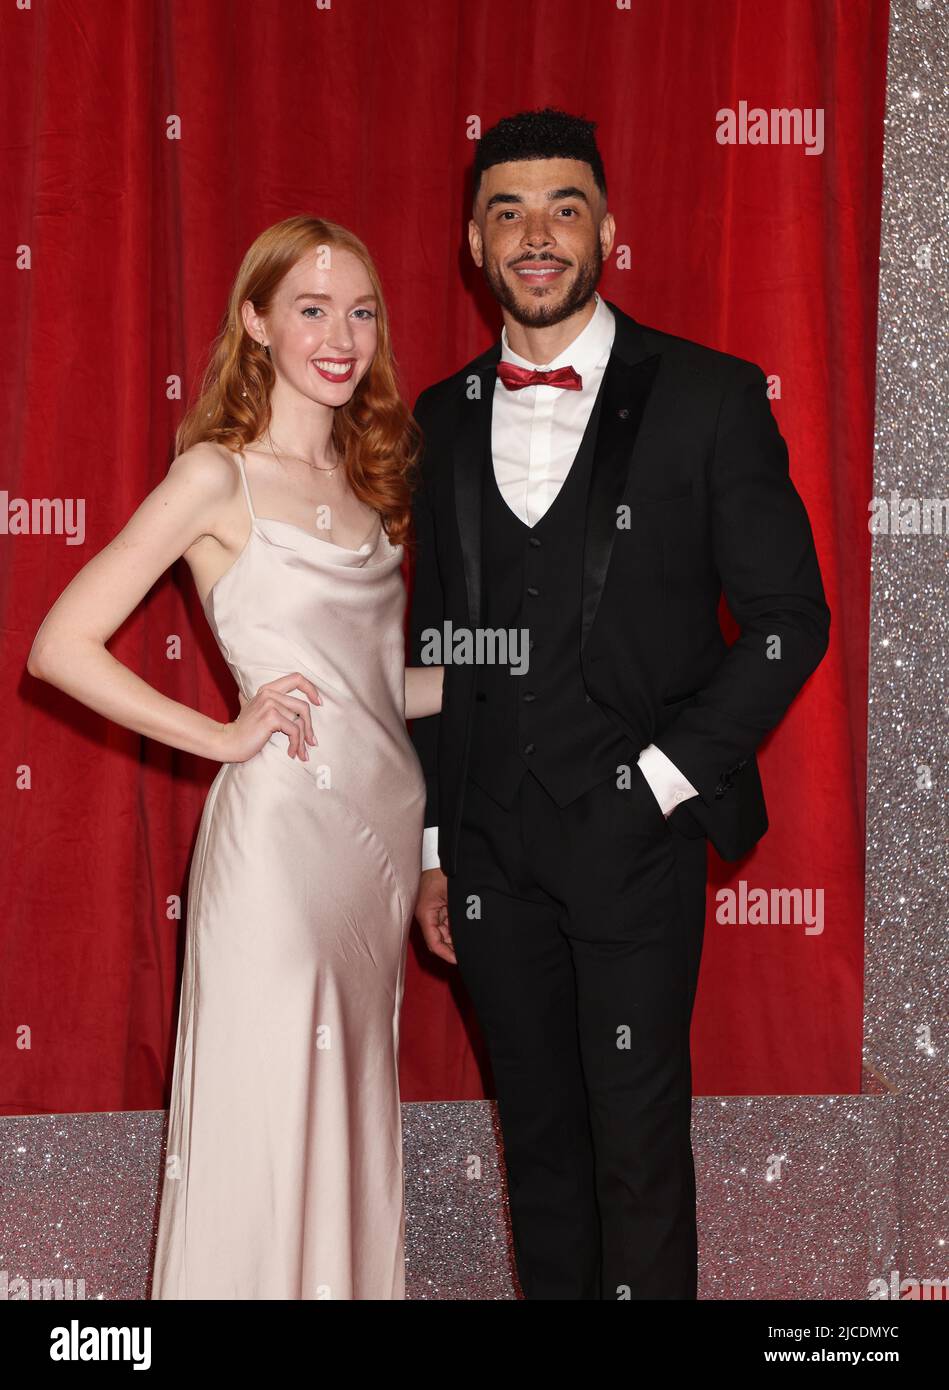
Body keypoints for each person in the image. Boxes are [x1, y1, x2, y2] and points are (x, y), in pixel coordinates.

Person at [409, 109, 830, 1300]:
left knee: (637, 1158)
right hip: (489, 844)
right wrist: (437, 843)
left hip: (634, 839)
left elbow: (790, 619)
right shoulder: (439, 419)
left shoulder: (707, 396)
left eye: (563, 206)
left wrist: (657, 781)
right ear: (472, 241)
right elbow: (443, 643)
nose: (534, 234)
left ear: (609, 231)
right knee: (538, 1155)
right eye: (507, 210)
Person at [27, 215, 441, 1300]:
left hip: (374, 849)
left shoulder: (375, 490)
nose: (340, 334)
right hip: (277, 845)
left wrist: (539, 678)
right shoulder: (216, 477)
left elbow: (379, 690)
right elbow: (57, 644)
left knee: (346, 1113)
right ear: (256, 323)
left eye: (360, 309)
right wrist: (218, 733)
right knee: (265, 1122)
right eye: (310, 308)